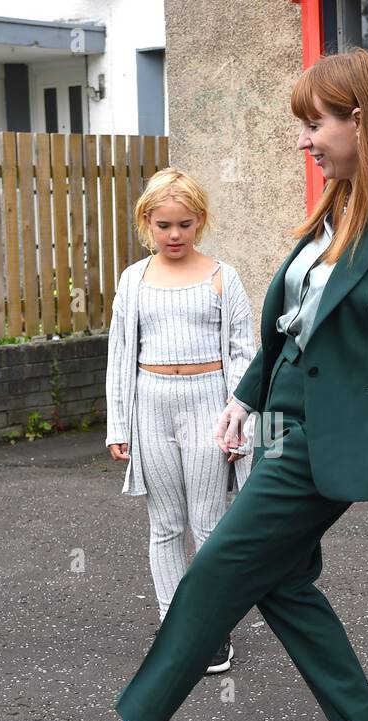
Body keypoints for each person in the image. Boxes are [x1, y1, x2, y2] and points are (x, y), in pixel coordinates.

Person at [48, 47, 368, 721]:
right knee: (280, 579)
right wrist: (244, 400)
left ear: (360, 118)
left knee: (219, 564)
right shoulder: (340, 199)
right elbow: (292, 326)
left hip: (334, 438)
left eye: (315, 124)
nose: (303, 140)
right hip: (283, 421)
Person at [102, 168, 257, 673]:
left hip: (208, 403)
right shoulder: (133, 279)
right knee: (165, 524)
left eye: (184, 224)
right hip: (150, 402)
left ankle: (212, 631)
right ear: (146, 222)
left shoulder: (222, 277)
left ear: (200, 222)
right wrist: (118, 424)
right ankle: (174, 625)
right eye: (164, 224)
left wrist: (241, 422)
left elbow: (242, 353)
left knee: (210, 525)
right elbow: (121, 352)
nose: (174, 235)